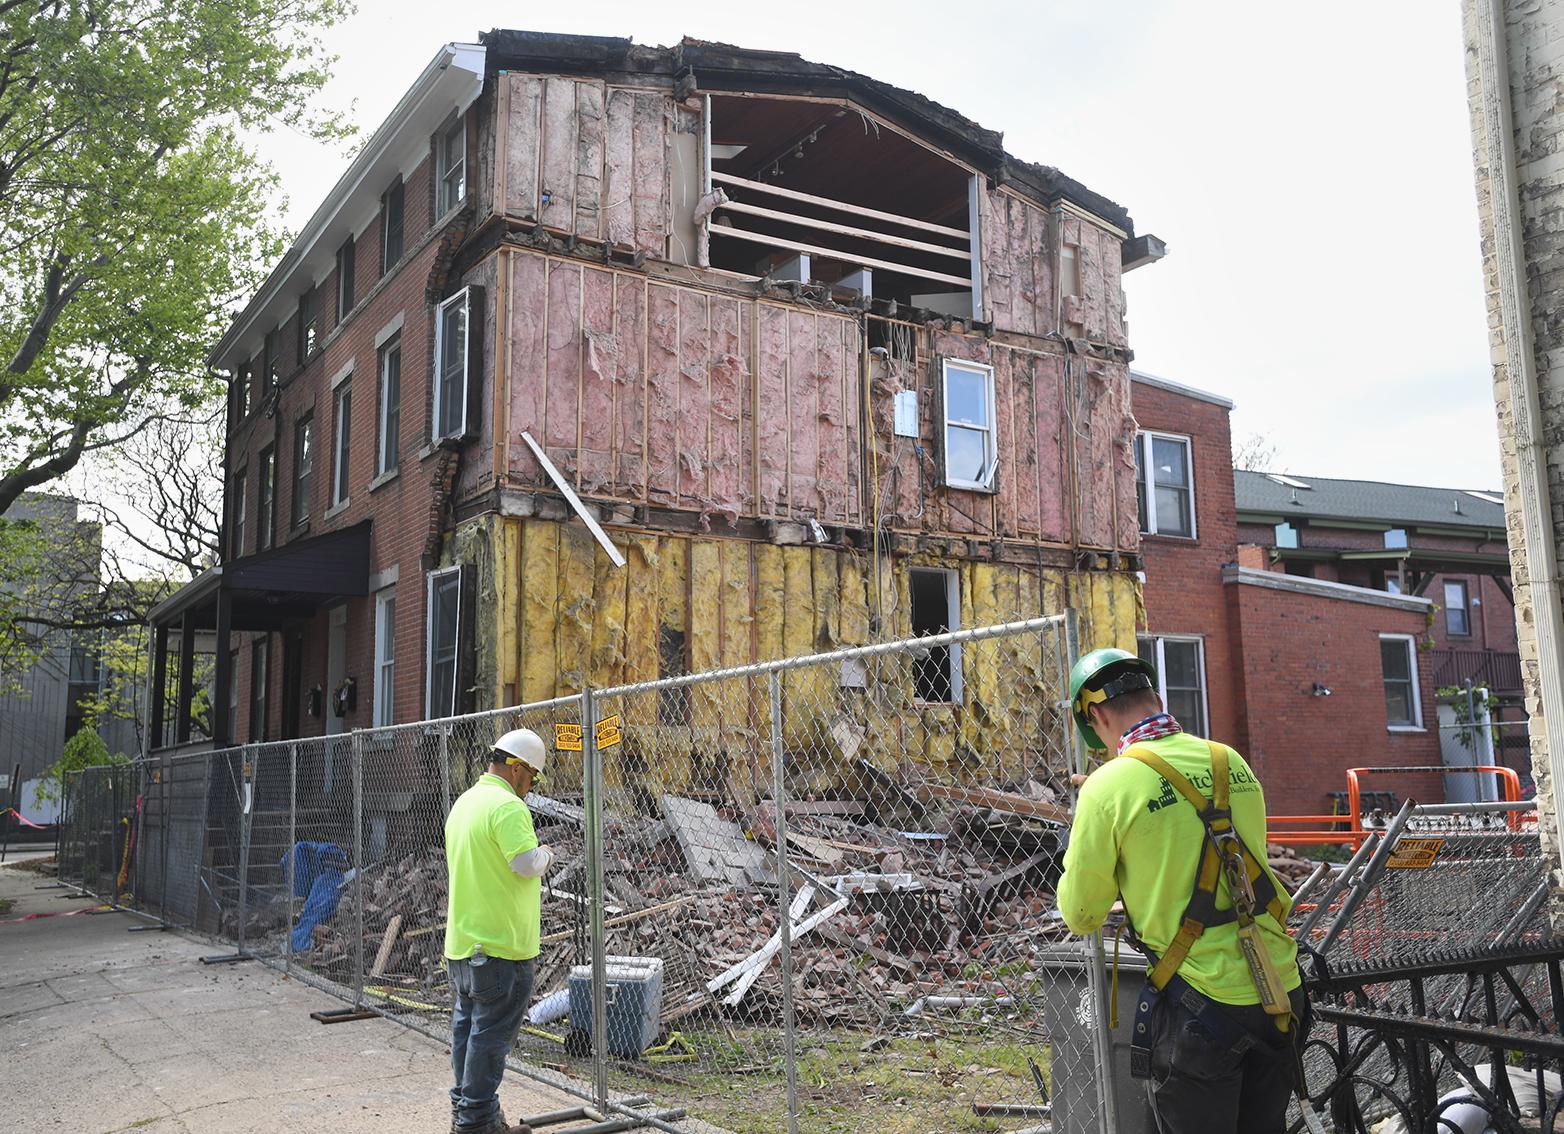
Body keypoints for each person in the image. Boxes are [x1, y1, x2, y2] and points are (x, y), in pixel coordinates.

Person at [1055, 648, 1305, 1134]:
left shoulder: (1108, 786)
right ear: (1157, 697)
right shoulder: (1227, 760)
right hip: (1280, 994)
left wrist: (1089, 831)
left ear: (1097, 717)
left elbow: (1081, 913)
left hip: (1201, 1011)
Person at [444, 728, 555, 1134]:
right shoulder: (508, 807)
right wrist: (546, 855)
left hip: (462, 945)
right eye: (534, 776)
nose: (533, 786)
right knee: (490, 1041)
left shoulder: (465, 803)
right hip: (500, 948)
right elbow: (525, 862)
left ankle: (477, 1116)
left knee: (467, 1032)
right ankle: (474, 1125)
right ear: (517, 768)